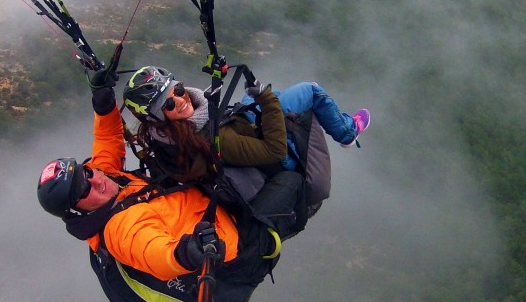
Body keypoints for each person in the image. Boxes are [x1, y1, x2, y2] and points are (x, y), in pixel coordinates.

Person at [36, 69, 305, 302]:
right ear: (78, 211)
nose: (95, 181)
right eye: (83, 191)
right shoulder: (120, 229)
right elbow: (153, 252)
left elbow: (106, 139)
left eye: (86, 173)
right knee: (292, 180)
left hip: (213, 211)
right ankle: (286, 224)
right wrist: (185, 254)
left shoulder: (107, 176)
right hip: (235, 251)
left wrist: (103, 103)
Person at [121, 65, 370, 212]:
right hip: (276, 159)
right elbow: (274, 151)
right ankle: (348, 133)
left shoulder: (166, 137)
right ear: (157, 118)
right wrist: (268, 100)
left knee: (255, 98)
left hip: (243, 130)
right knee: (310, 90)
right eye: (169, 104)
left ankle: (276, 103)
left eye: (177, 89)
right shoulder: (211, 138)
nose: (180, 99)